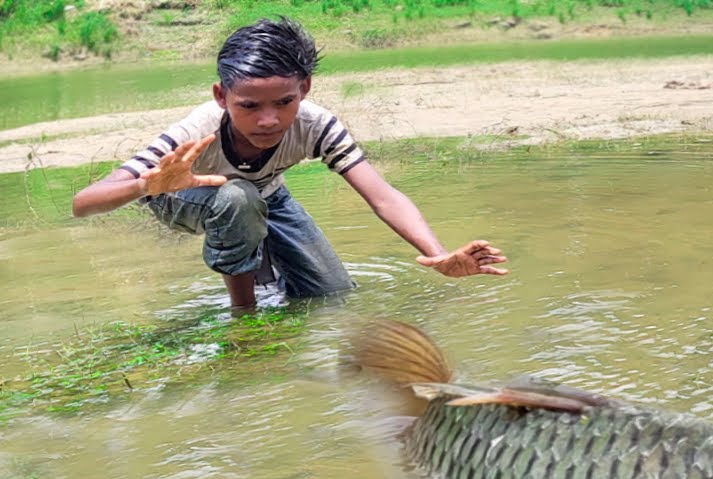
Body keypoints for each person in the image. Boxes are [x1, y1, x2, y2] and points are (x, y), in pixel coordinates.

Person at [71, 16, 507, 311]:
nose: (269, 120)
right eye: (248, 105)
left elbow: (383, 196)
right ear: (222, 97)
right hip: (179, 195)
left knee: (332, 297)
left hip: (266, 194)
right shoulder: (195, 131)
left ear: (306, 88)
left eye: (284, 102)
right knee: (236, 197)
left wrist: (438, 254)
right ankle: (244, 313)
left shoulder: (316, 125)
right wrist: (147, 186)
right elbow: (84, 203)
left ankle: (267, 275)